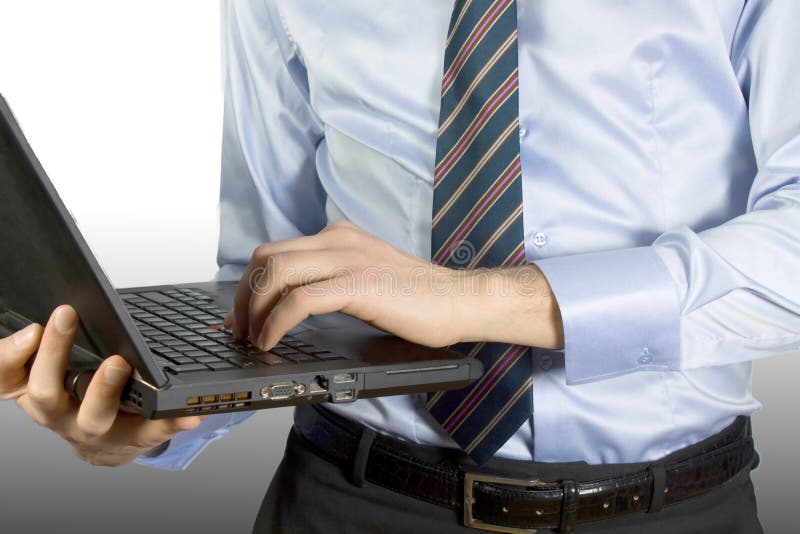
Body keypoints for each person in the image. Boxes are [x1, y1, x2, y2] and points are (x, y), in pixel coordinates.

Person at [2, 0, 798, 531]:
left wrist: (475, 300)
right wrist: (157, 412)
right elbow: (268, 271)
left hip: (672, 510)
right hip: (347, 501)